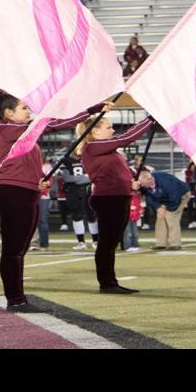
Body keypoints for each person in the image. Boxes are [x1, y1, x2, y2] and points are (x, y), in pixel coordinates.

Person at [0, 90, 105, 313]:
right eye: (24, 108)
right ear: (8, 113)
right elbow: (52, 124)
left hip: (26, 192)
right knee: (13, 250)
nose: (29, 112)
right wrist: (90, 109)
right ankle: (15, 299)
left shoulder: (22, 133)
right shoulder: (6, 129)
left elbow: (23, 163)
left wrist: (37, 180)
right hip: (13, 193)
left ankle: (18, 298)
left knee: (20, 250)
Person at [79, 115, 155, 293]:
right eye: (109, 127)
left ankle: (110, 281)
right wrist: (149, 120)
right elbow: (126, 138)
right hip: (108, 198)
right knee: (107, 242)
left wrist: (131, 182)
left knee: (111, 242)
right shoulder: (92, 146)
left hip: (119, 196)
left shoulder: (110, 151)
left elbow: (118, 173)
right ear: (95, 131)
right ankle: (107, 283)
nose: (113, 130)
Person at [140, 167, 187, 250]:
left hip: (180, 195)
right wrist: (158, 207)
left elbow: (175, 198)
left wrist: (168, 208)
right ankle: (161, 243)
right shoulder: (146, 185)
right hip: (163, 198)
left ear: (149, 179)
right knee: (160, 217)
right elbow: (149, 198)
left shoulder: (167, 182)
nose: (142, 185)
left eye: (142, 183)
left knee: (171, 216)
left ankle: (174, 243)